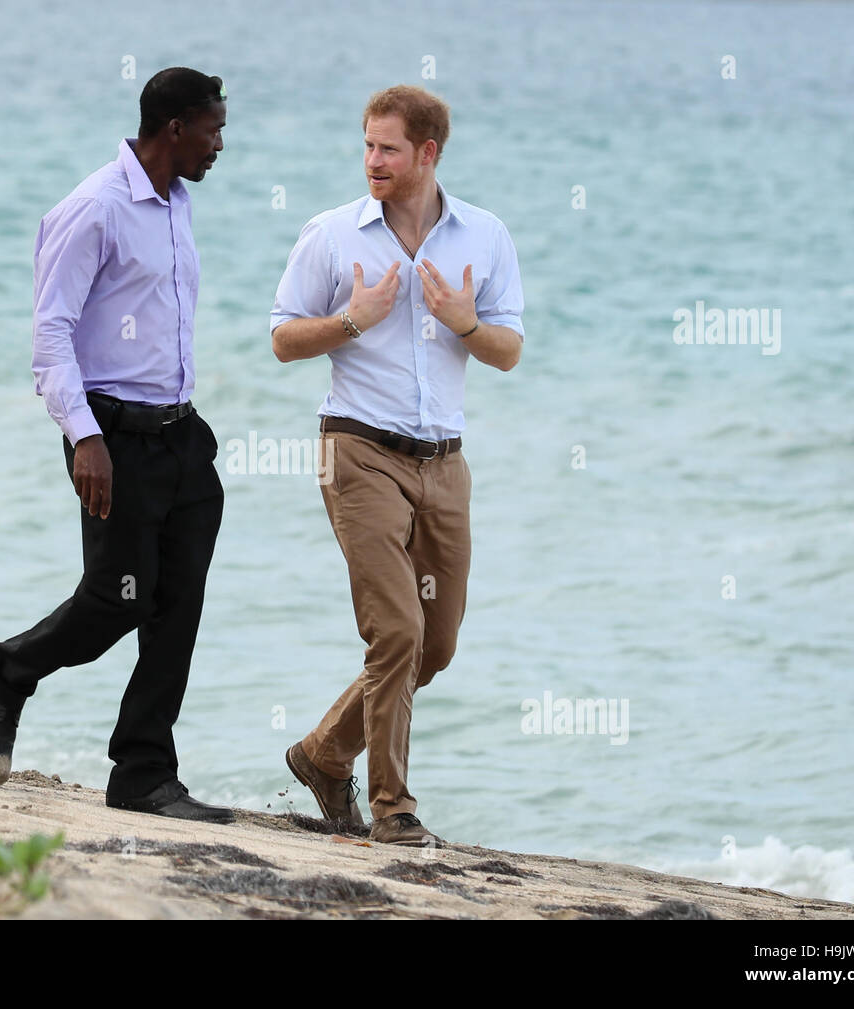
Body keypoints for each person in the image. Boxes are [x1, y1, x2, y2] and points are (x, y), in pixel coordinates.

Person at [0, 67, 232, 824]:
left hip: (181, 437)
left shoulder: (178, 205)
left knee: (176, 606)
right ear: (174, 128)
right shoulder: (93, 209)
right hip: (112, 437)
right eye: (212, 130)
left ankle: (144, 772)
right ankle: (6, 672)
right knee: (115, 600)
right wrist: (84, 437)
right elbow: (50, 337)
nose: (219, 146)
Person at [270, 85, 525, 846]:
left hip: (445, 464)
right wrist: (354, 319)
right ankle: (394, 809)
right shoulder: (331, 234)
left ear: (427, 153)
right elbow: (283, 337)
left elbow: (509, 351)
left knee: (435, 643)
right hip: (358, 449)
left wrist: (465, 323)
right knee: (396, 630)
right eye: (367, 146)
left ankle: (322, 753)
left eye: (387, 148)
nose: (372, 161)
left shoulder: (485, 235)